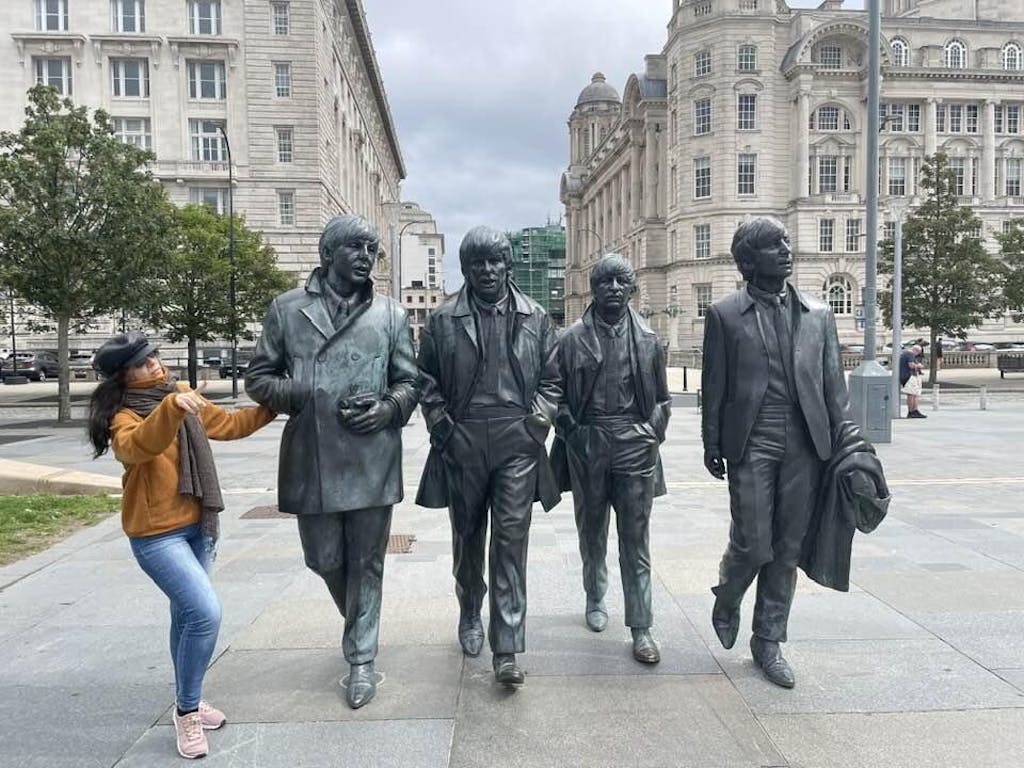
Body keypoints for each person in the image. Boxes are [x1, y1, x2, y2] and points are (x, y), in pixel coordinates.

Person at [245, 214, 418, 709]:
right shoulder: (287, 309)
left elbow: (410, 381)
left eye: (372, 249)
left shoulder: (390, 314)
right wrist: (304, 392)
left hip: (371, 456)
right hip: (313, 455)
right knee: (323, 559)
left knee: (367, 562)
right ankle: (359, 622)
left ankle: (361, 659)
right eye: (356, 247)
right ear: (328, 254)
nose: (367, 256)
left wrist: (388, 407)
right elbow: (259, 377)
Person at [87, 331, 276, 760]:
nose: (154, 364)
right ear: (123, 375)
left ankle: (186, 696)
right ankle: (187, 711)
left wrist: (274, 407)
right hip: (156, 535)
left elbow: (227, 425)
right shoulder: (124, 416)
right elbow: (139, 448)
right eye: (141, 362)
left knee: (185, 616)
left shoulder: (180, 395)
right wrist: (173, 408)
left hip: (199, 526)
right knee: (205, 613)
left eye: (153, 356)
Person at [701, 217, 850, 689]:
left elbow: (833, 388)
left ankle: (768, 640)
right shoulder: (724, 315)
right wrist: (711, 442)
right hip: (752, 439)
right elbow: (715, 384)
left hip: (806, 443)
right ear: (748, 261)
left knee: (786, 547)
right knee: (752, 542)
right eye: (773, 245)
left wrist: (847, 445)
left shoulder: (819, 315)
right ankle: (728, 593)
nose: (786, 250)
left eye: (786, 242)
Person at [416, 226, 561, 688]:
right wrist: (443, 428)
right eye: (477, 263)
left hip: (516, 441)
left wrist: (537, 423)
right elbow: (425, 380)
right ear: (467, 269)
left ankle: (507, 647)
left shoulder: (536, 317)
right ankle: (469, 609)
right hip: (463, 440)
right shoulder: (442, 321)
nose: (487, 270)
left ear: (508, 265)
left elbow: (553, 380)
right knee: (468, 538)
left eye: (495, 261)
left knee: (510, 543)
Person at [549, 254, 671, 664]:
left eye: (622, 282)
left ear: (631, 289)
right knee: (592, 531)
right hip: (589, 442)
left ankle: (641, 625)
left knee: (636, 541)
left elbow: (663, 399)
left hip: (635, 443)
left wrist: (652, 432)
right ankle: (595, 597)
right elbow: (555, 395)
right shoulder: (570, 340)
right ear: (593, 288)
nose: (614, 289)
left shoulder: (649, 339)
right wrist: (574, 433)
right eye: (605, 282)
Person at [899, 344, 926, 418]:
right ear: (916, 351)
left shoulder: (905, 354)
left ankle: (914, 410)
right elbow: (911, 365)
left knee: (914, 394)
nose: (917, 355)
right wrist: (918, 366)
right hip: (909, 376)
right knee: (912, 394)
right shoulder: (910, 354)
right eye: (918, 353)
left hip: (906, 376)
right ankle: (912, 411)